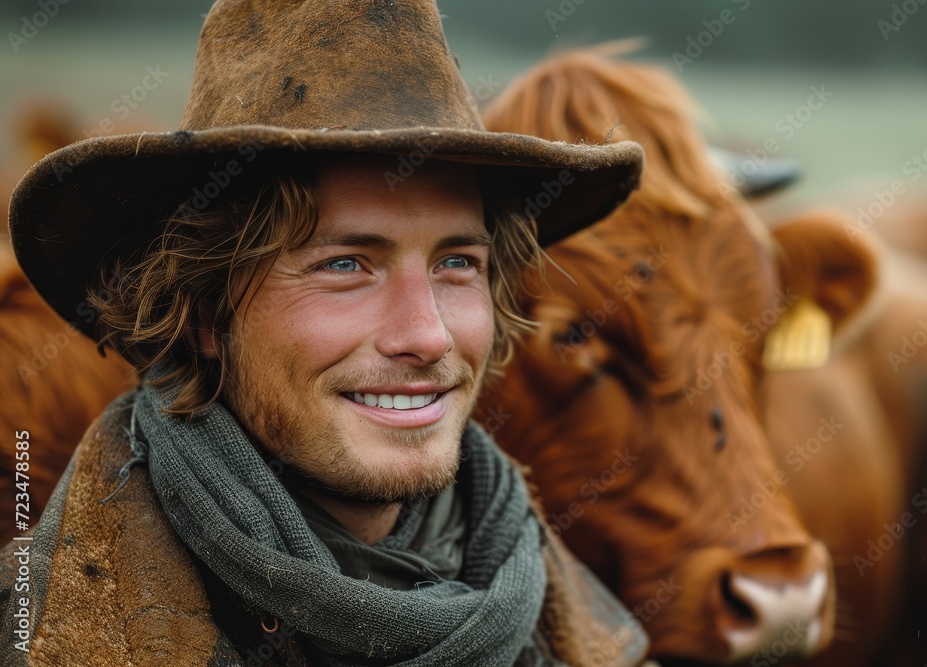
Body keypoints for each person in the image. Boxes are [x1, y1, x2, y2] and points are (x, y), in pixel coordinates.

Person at [1, 1, 649, 665]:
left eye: (457, 263)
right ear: (202, 314)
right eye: (346, 265)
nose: (428, 335)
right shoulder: (42, 632)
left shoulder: (588, 637)